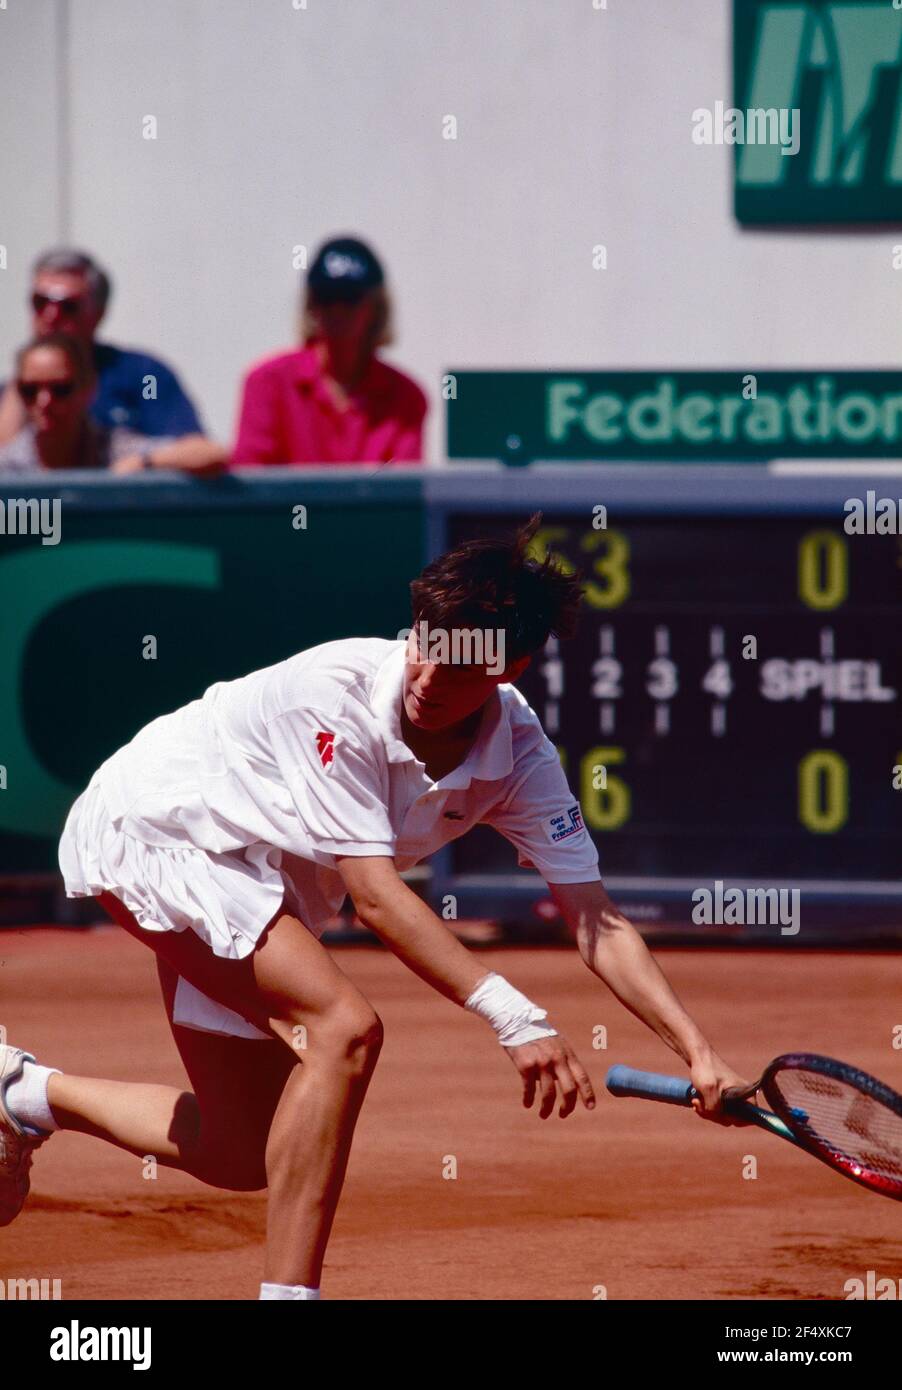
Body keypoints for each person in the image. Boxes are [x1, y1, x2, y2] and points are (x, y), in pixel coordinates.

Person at [0, 516, 746, 1299]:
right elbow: (377, 899)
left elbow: (598, 922)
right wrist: (515, 1016)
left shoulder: (523, 759)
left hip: (260, 877)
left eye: (460, 667)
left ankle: (22, 1091)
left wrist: (698, 1053)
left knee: (239, 1151)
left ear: (511, 668)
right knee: (345, 1029)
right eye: (424, 644)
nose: (426, 678)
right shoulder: (335, 697)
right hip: (160, 829)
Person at [233, 235, 427, 466]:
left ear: (376, 307)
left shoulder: (406, 398)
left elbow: (399, 492)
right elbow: (253, 481)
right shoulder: (267, 383)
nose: (337, 310)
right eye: (326, 297)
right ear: (310, 304)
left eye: (349, 298)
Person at [0, 248, 204, 445]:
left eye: (68, 306)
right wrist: (27, 376)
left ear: (98, 312)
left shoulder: (145, 378)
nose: (51, 315)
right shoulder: (15, 389)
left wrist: (137, 463)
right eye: (40, 302)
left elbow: (191, 447)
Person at [0, 334, 226, 475]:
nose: (44, 401)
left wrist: (144, 464)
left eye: (61, 389)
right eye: (29, 390)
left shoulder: (115, 448)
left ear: (89, 390)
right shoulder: (8, 465)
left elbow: (211, 453)